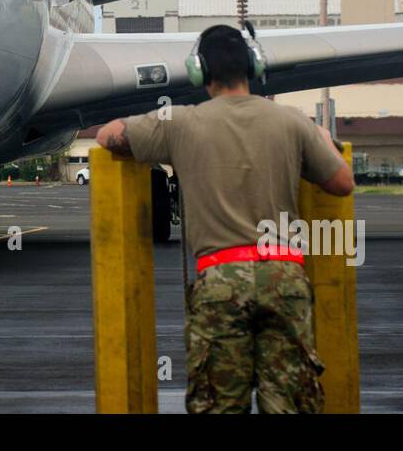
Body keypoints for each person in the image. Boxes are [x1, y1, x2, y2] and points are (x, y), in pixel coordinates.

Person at [95, 23, 354, 413]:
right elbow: (341, 182)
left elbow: (107, 135)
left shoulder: (181, 123)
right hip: (283, 277)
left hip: (221, 278)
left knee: (218, 404)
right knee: (289, 402)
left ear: (199, 71)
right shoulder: (291, 122)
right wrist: (314, 132)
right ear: (253, 66)